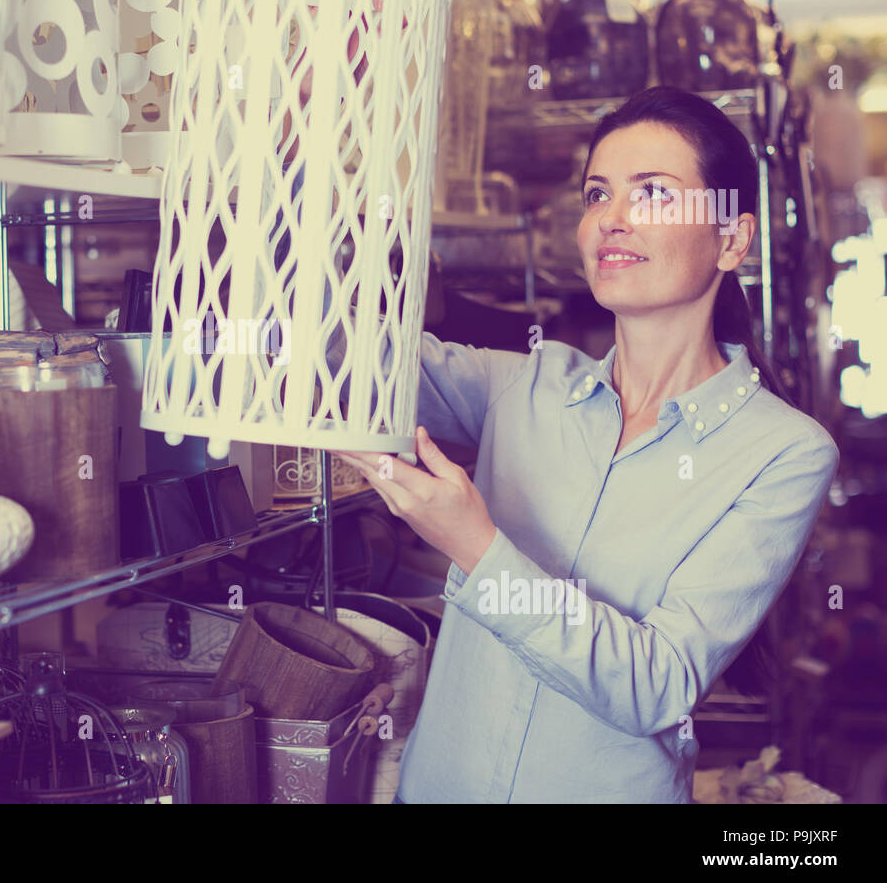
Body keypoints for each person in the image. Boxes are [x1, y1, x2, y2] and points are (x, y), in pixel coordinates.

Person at [332, 86, 840, 803]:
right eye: (598, 194)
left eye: (654, 193)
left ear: (732, 239)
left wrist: (476, 547)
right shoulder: (528, 385)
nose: (613, 219)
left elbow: (656, 683)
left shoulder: (783, 453)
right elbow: (343, 364)